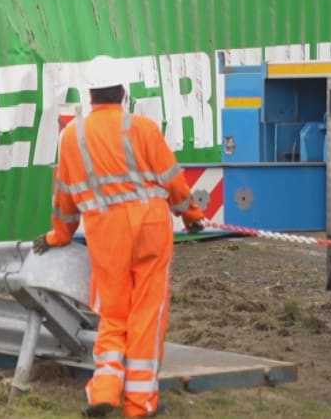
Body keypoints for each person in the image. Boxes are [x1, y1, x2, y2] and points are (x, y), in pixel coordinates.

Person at [32, 55, 205, 418]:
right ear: (123, 92)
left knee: (112, 314)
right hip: (150, 230)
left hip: (105, 235)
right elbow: (172, 180)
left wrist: (59, 235)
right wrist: (191, 215)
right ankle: (140, 404)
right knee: (146, 314)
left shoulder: (71, 137)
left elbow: (64, 199)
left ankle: (105, 392)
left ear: (90, 94)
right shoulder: (142, 128)